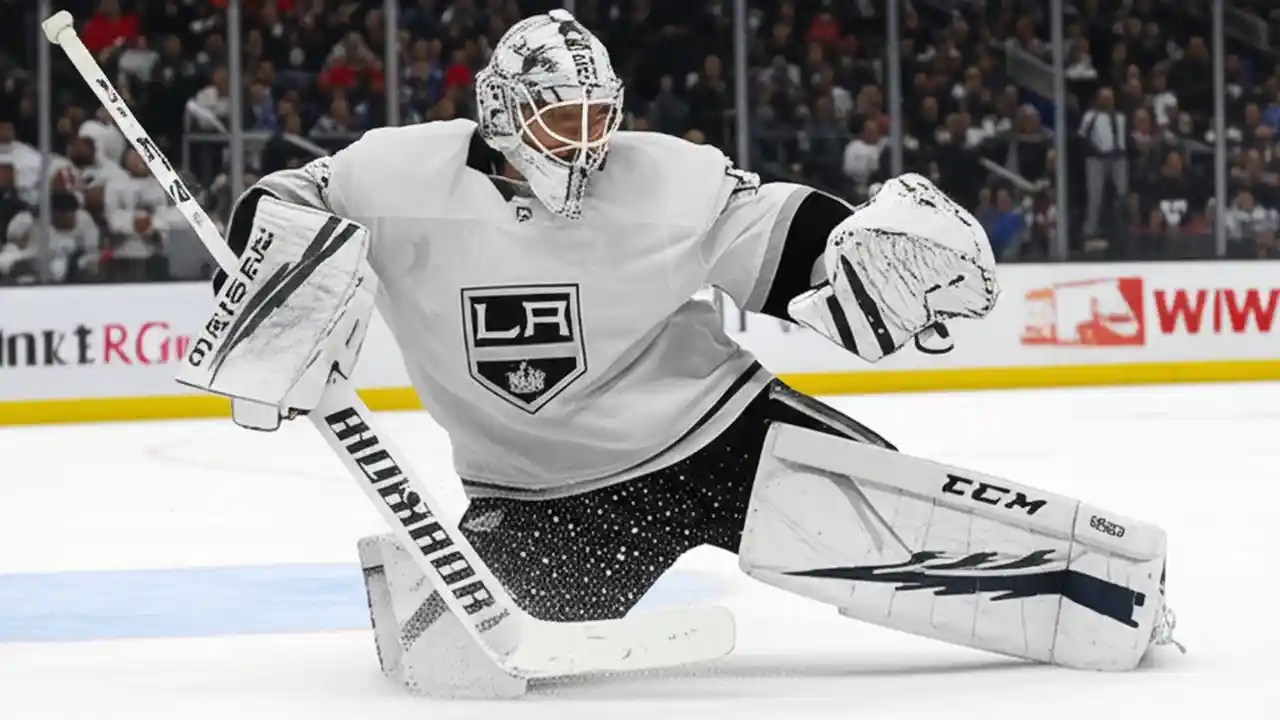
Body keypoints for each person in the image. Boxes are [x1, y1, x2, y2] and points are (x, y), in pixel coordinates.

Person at [207, 10, 1175, 695]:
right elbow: (288, 200)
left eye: (599, 116)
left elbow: (777, 237)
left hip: (722, 436)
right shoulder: (394, 173)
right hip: (546, 497)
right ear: (502, 112)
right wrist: (275, 280)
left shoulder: (663, 177)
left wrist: (852, 255)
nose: (587, 143)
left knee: (915, 537)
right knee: (456, 654)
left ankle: (1122, 591)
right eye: (561, 119)